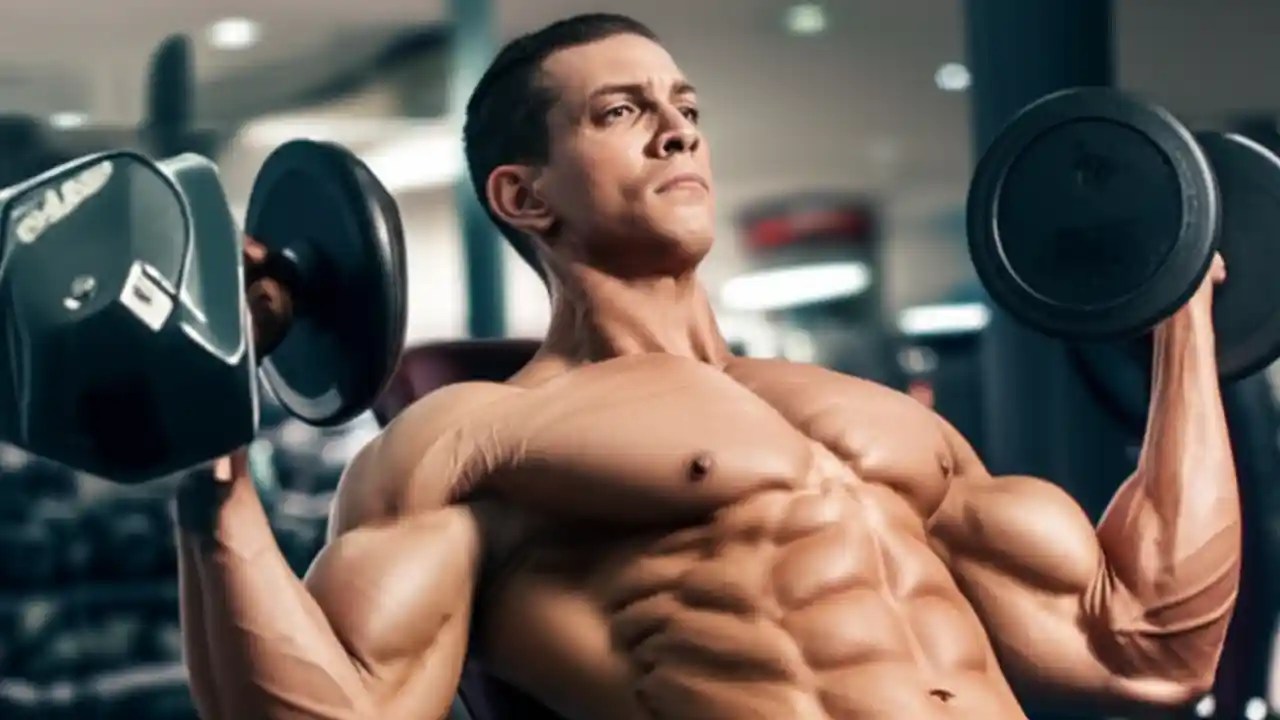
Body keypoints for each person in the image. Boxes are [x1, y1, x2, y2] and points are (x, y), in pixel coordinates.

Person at [173, 13, 1241, 720]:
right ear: (522, 196)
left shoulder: (878, 423)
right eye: (621, 112)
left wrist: (1181, 312)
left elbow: (1144, 644)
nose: (676, 133)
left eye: (684, 108)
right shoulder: (472, 440)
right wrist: (202, 445)